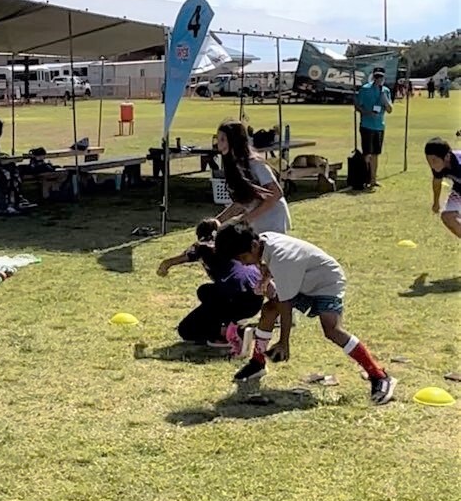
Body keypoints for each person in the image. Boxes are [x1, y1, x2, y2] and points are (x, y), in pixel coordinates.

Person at [214, 223, 396, 404]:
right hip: (302, 280)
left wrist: (284, 342)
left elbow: (286, 307)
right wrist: (265, 276)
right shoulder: (263, 241)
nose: (244, 263)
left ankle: (379, 375)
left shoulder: (282, 258)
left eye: (244, 257)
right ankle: (257, 362)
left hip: (326, 282)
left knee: (332, 329)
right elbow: (272, 269)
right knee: (269, 309)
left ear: (253, 246)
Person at [157, 218, 262, 346]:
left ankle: (226, 333)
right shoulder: (237, 244)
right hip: (255, 300)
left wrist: (164, 265)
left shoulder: (202, 247)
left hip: (234, 298)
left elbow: (173, 260)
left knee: (187, 329)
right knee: (208, 292)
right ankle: (231, 327)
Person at [214, 119, 291, 232]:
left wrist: (246, 219)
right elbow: (244, 201)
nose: (218, 144)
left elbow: (276, 194)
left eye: (223, 139)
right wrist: (218, 220)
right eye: (218, 139)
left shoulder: (255, 163)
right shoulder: (235, 165)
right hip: (257, 221)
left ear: (235, 140)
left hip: (273, 220)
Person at [354, 67, 393, 189]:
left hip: (379, 127)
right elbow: (357, 105)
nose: (379, 79)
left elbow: (390, 109)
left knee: (376, 154)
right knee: (367, 153)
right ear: (373, 77)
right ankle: (365, 178)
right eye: (377, 77)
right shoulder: (365, 89)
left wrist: (385, 100)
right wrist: (366, 112)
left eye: (381, 77)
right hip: (366, 125)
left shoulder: (385, 91)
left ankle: (373, 179)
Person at [425, 138, 461, 240]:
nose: (431, 164)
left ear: (447, 157)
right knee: (447, 216)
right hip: (459, 190)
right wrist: (436, 202)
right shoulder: (438, 167)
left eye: (434, 160)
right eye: (429, 160)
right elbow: (437, 182)